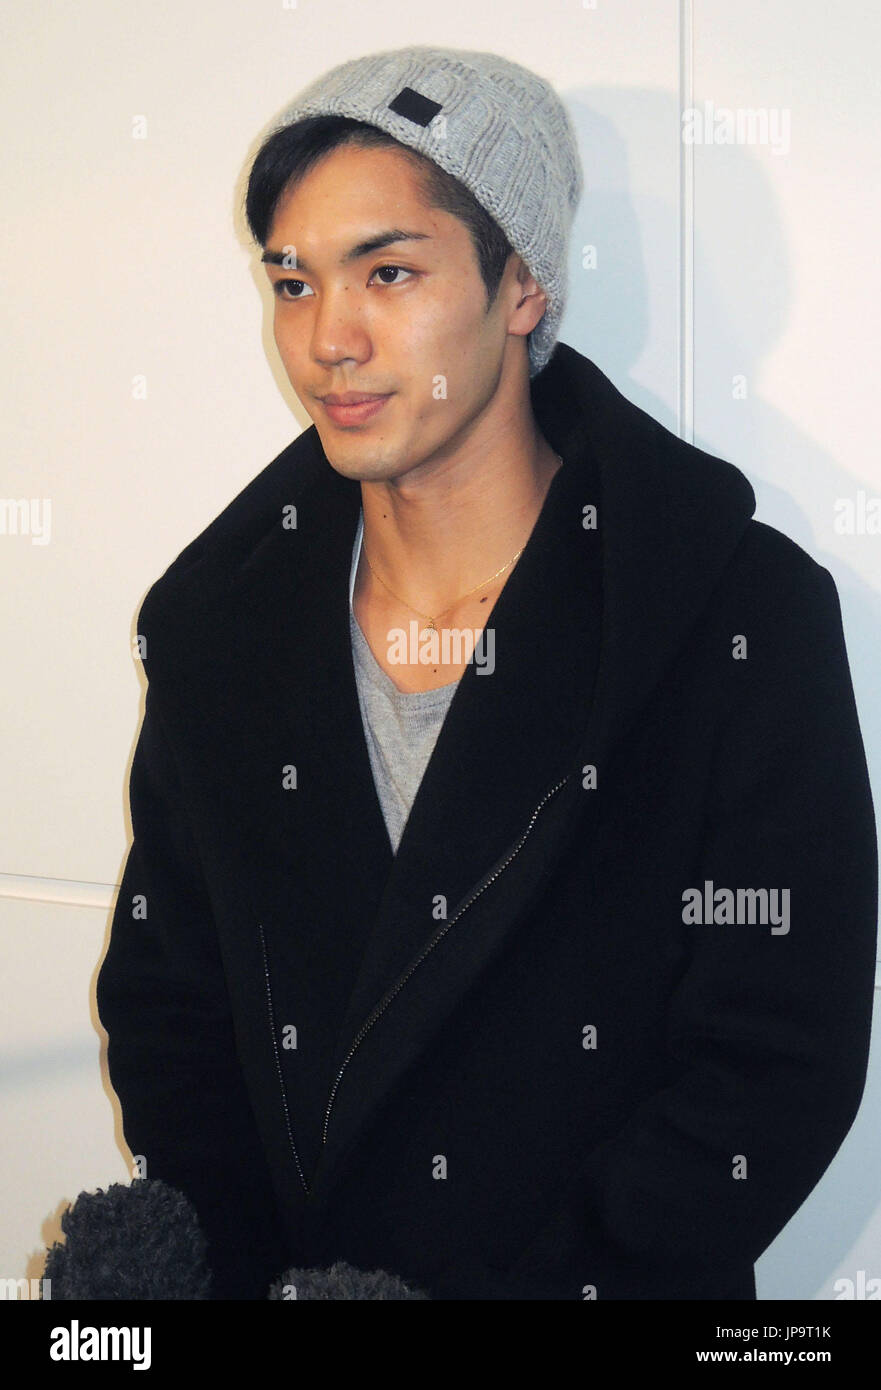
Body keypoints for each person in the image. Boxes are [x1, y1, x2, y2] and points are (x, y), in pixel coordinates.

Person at [97, 46, 878, 1300]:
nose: (327, 340)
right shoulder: (216, 631)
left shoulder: (731, 618)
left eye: (388, 273)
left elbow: (773, 1060)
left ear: (521, 286)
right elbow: (170, 1007)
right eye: (291, 282)